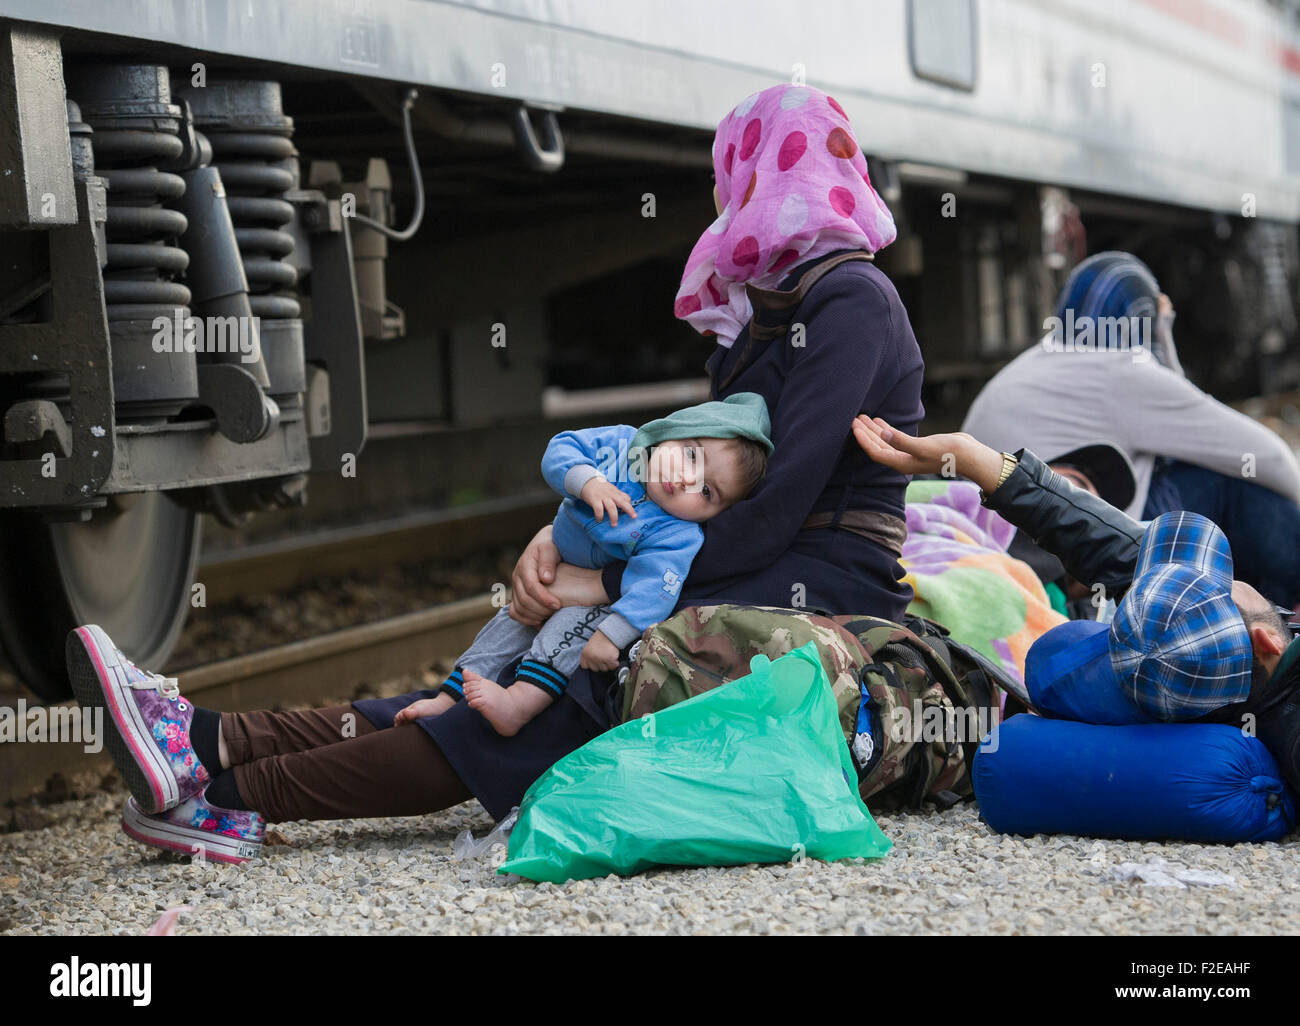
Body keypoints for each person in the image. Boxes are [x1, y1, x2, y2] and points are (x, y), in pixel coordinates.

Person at [64, 81, 927, 863]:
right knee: (502, 682)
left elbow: (775, 513)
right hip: (740, 562)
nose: (719, 199)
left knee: (575, 689)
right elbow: (671, 478)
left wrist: (606, 580)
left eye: (728, 176)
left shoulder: (851, 300)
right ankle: (209, 739)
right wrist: (566, 536)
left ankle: (221, 798)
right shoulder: (772, 318)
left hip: (820, 578)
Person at [852, 414, 1300, 793]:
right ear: (1266, 641)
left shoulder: (1189, 672)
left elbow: (1116, 551)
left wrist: (978, 461)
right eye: (1228, 583)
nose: (1239, 578)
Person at [393, 394, 772, 736]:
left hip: (596, 606)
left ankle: (518, 705)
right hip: (557, 570)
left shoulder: (678, 534)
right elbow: (562, 447)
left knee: (561, 637)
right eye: (691, 454)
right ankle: (448, 698)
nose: (687, 479)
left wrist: (611, 635)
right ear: (671, 432)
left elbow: (655, 589)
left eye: (707, 492)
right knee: (507, 625)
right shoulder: (623, 447)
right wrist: (588, 482)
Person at [961, 250, 1300, 607]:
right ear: (1141, 319)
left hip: (999, 538)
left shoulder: (1038, 360)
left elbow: (1179, 411)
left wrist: (1160, 333)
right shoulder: (1119, 369)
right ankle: (1273, 617)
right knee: (1240, 482)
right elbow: (1269, 455)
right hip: (1080, 555)